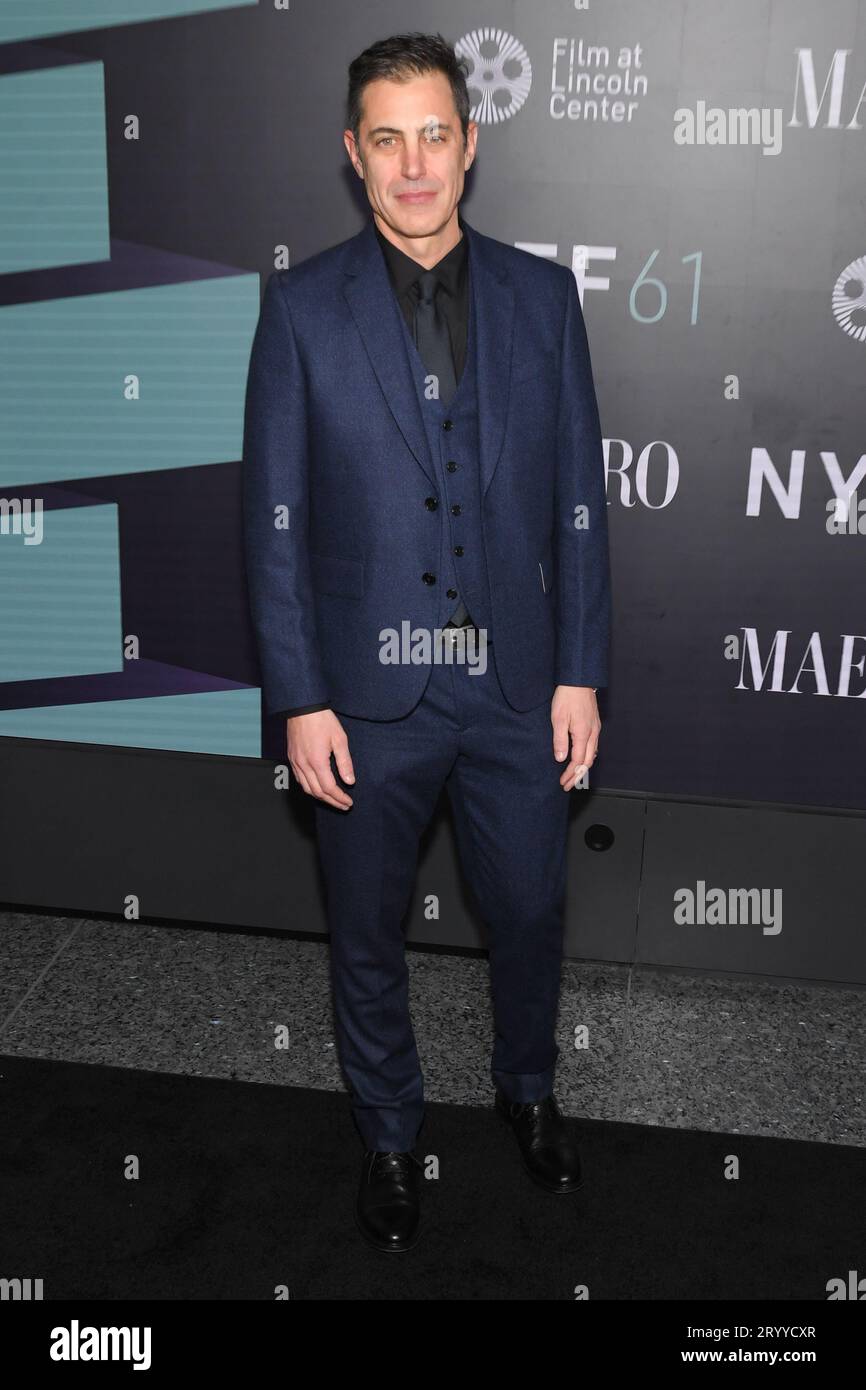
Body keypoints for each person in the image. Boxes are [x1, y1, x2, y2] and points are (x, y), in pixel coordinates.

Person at [242, 31, 611, 1253]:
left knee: (529, 909)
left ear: (470, 144)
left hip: (514, 692)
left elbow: (578, 503)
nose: (413, 165)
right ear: (353, 157)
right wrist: (297, 697)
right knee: (364, 933)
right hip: (361, 698)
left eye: (434, 135)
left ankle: (525, 1086)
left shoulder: (542, 298)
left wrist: (577, 669)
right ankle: (390, 1137)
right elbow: (273, 523)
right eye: (385, 139)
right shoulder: (298, 310)